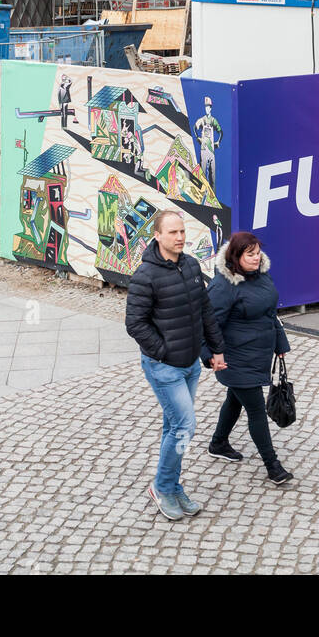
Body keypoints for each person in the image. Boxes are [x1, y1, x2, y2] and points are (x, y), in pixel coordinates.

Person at [125, 209, 226, 522]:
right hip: (164, 367)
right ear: (157, 236)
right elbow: (135, 323)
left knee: (173, 425)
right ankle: (163, 487)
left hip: (191, 365)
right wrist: (163, 350)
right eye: (173, 233)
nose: (180, 237)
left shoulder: (192, 265)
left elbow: (204, 311)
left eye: (182, 232)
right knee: (184, 426)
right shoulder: (146, 275)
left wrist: (215, 350)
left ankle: (170, 484)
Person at [204, 231, 294, 486]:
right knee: (255, 409)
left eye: (257, 253)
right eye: (250, 254)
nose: (256, 258)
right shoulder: (223, 286)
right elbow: (208, 323)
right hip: (235, 357)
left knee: (235, 398)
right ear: (236, 256)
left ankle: (218, 443)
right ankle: (273, 466)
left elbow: (270, 313)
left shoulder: (261, 276)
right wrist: (210, 355)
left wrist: (280, 342)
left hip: (258, 353)